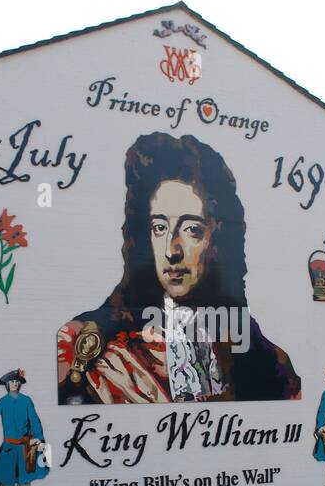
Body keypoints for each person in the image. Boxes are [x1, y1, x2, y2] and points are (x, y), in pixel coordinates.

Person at [57, 132, 301, 404]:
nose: (172, 251)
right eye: (159, 227)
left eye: (191, 230)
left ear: (216, 239)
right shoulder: (109, 353)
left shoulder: (262, 356)